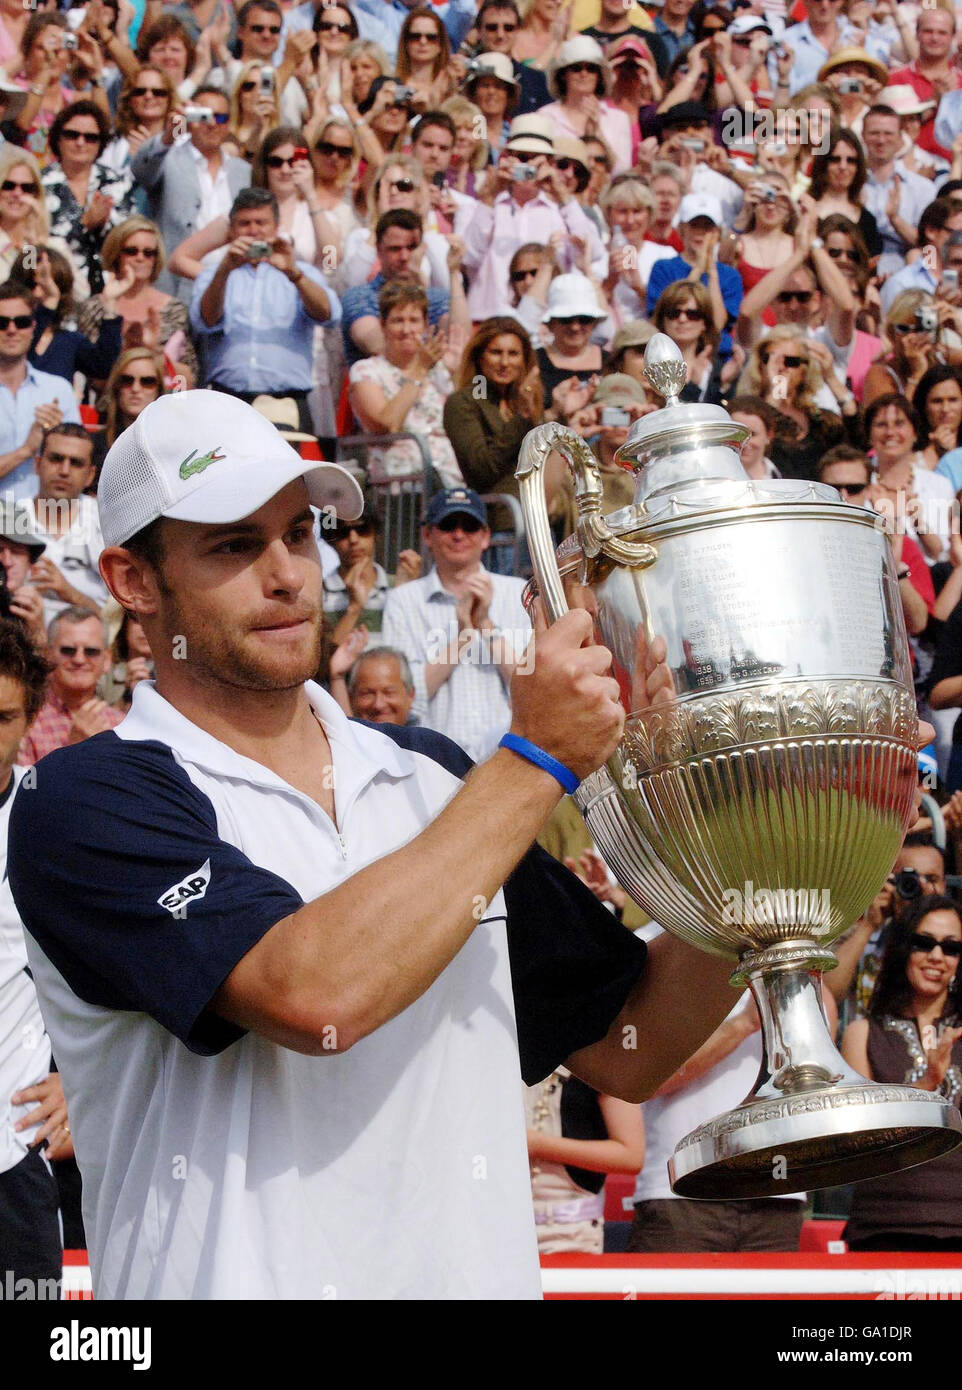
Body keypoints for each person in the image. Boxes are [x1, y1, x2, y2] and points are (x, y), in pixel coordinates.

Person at [7, 387, 747, 1299]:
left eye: (299, 534)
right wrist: (535, 760)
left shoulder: (434, 774)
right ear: (132, 581)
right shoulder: (79, 798)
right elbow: (316, 995)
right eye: (235, 545)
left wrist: (773, 861)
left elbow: (630, 1045)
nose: (287, 575)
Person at [0, 617, 71, 1295]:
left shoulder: (57, 819)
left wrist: (84, 1083)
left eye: (1, 716)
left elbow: (130, 972)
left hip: (12, 1154)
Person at [841, 894, 962, 1252]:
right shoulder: (861, 1033)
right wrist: (924, 1087)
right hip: (884, 1224)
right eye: (924, 943)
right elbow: (859, 1139)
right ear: (902, 948)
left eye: (952, 947)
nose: (936, 956)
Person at [382, 484, 528, 761]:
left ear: (485, 537)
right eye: (448, 525)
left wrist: (484, 624)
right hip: (433, 759)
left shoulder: (517, 592)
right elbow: (405, 698)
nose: (459, 534)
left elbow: (530, 688)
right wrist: (462, 638)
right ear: (427, 534)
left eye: (470, 526)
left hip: (507, 757)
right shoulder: (402, 601)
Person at [190, 188, 340, 433]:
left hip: (287, 401)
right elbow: (204, 321)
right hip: (228, 399)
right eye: (244, 223)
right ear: (232, 229)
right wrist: (225, 269)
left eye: (261, 223)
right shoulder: (213, 274)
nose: (253, 231)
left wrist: (294, 274)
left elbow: (330, 315)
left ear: (276, 226)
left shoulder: (302, 271)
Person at [462, 114, 605, 321]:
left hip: (545, 320)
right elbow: (469, 257)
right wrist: (490, 196)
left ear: (549, 163)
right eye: (521, 158)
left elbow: (593, 253)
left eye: (535, 159)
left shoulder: (563, 212)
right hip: (489, 318)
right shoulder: (480, 207)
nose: (527, 166)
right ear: (507, 157)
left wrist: (563, 196)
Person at [130, 85, 252, 304]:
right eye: (204, 116)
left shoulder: (244, 171)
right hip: (176, 288)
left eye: (221, 117)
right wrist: (169, 135)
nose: (213, 124)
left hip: (231, 287)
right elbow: (140, 169)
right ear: (190, 118)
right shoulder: (168, 158)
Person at [348, 280, 460, 489]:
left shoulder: (439, 371)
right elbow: (387, 424)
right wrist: (418, 371)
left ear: (425, 324)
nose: (407, 329)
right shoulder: (366, 371)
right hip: (400, 488)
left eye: (414, 320)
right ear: (383, 325)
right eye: (398, 320)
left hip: (449, 483)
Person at [828, 833, 947, 1025]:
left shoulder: (953, 943)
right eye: (912, 879)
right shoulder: (866, 935)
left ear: (944, 885)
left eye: (932, 879)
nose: (923, 888)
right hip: (866, 1049)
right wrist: (868, 926)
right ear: (892, 881)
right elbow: (827, 995)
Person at [526, 1065, 644, 1254]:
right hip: (502, 1225)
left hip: (570, 1232)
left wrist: (538, 1145)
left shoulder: (608, 1062)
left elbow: (631, 1155)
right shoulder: (502, 1056)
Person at [443, 315, 543, 516]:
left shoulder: (529, 400)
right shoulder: (463, 402)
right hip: (503, 521)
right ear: (480, 357)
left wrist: (561, 414)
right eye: (496, 352)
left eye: (513, 353)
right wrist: (522, 418)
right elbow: (481, 468)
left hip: (542, 518)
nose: (504, 362)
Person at [78, 216, 197, 385]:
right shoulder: (95, 307)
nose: (140, 258)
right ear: (117, 254)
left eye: (148, 253)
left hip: (160, 403)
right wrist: (128, 350)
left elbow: (188, 379)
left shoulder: (174, 309)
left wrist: (154, 353)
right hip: (109, 406)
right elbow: (91, 376)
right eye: (131, 251)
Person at [40, 99, 137, 300]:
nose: (80, 142)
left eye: (91, 137)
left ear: (101, 144)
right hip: (52, 293)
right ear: (57, 138)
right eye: (71, 134)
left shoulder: (117, 184)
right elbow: (29, 248)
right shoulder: (37, 185)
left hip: (110, 295)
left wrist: (102, 226)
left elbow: (131, 242)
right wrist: (83, 224)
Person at [339, 209, 457, 369]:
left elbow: (459, 340)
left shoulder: (438, 297)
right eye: (395, 249)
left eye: (411, 248)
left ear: (422, 248)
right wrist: (431, 355)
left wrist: (454, 272)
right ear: (379, 250)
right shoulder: (359, 296)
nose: (404, 257)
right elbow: (378, 347)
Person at [0, 281, 79, 501]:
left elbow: (77, 468)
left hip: (43, 523)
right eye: (2, 323)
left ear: (33, 327)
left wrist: (56, 440)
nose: (11, 330)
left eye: (22, 322)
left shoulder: (58, 390)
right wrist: (26, 450)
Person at [17, 606, 124, 766]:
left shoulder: (122, 724)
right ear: (47, 654)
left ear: (107, 660)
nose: (79, 659)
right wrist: (73, 752)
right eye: (68, 650)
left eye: (91, 651)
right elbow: (23, 788)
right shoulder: (25, 721)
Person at [27, 422, 107, 629]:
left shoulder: (106, 524)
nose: (64, 470)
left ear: (90, 475)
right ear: (37, 464)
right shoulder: (9, 521)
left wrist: (68, 592)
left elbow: (119, 618)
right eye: (56, 459)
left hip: (88, 650)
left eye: (75, 463)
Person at [646, 192, 743, 357]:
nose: (700, 233)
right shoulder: (664, 268)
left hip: (716, 356)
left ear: (718, 232)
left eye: (707, 227)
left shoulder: (729, 276)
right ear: (682, 229)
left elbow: (718, 324)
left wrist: (711, 272)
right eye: (694, 225)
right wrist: (697, 269)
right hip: (673, 355)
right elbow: (668, 317)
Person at [323, 504, 420, 645]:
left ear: (377, 535)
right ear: (330, 540)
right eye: (342, 532)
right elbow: (324, 663)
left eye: (362, 529)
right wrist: (354, 609)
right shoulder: (319, 592)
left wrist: (404, 594)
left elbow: (413, 649)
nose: (353, 539)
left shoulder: (398, 585)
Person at [540, 35, 633, 175]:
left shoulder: (619, 119)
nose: (584, 73)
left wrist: (597, 134)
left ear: (599, 75)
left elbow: (622, 173)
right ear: (564, 74)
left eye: (591, 68)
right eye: (576, 68)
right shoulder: (545, 117)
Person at [806, 126, 881, 259]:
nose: (843, 167)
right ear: (823, 164)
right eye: (835, 159)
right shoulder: (805, 211)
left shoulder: (868, 220)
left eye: (851, 161)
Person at [100, 346, 165, 450]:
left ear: (159, 389)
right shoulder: (95, 444)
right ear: (116, 386)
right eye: (126, 380)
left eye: (147, 381)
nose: (135, 389)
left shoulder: (171, 444)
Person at [345, 644, 417, 725]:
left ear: (410, 695)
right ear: (351, 698)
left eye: (389, 693)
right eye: (367, 694)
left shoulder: (429, 737)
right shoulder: (341, 737)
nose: (378, 705)